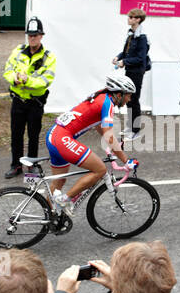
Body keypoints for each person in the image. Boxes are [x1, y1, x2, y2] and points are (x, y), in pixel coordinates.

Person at [46, 75, 136, 213]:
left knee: (59, 182)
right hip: (62, 139)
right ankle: (63, 200)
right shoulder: (108, 103)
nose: (129, 99)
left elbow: (99, 126)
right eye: (128, 96)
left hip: (54, 135)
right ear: (119, 94)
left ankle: (51, 215)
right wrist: (125, 160)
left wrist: (114, 144)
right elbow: (108, 135)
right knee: (100, 170)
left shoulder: (101, 97)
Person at [2, 16, 56, 179]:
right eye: (30, 35)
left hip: (35, 103)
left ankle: (32, 165)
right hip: (18, 100)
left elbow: (46, 80)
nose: (32, 38)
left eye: (35, 35)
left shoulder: (49, 57)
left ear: (41, 36)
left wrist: (28, 80)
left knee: (33, 135)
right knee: (16, 135)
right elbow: (7, 71)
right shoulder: (17, 51)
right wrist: (15, 79)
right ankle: (16, 165)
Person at [113, 8, 151, 133]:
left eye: (131, 17)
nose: (128, 19)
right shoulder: (131, 35)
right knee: (128, 98)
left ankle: (135, 129)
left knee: (134, 99)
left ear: (138, 19)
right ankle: (131, 126)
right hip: (129, 71)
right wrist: (118, 57)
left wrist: (124, 62)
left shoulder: (142, 38)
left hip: (137, 72)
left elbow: (140, 58)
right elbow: (126, 52)